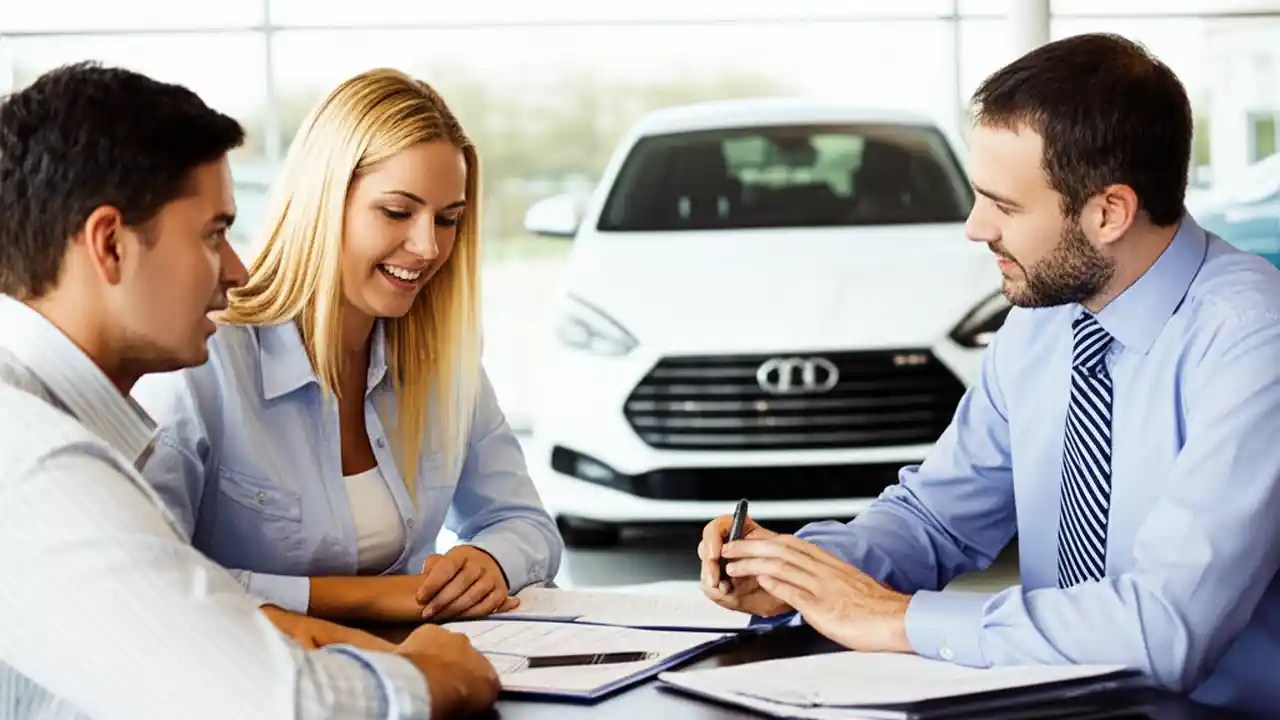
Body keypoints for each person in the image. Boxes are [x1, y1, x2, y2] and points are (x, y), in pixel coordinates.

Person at [698, 33, 1280, 715]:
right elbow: (936, 519)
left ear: (1109, 213)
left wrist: (894, 619)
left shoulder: (1250, 339)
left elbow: (1164, 629)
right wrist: (800, 571)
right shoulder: (1045, 319)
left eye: (1003, 206)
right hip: (1048, 701)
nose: (975, 228)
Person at [0, 62, 500, 718]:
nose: (237, 271)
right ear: (111, 246)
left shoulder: (53, 428)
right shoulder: (36, 461)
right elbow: (275, 703)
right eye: (213, 234)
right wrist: (435, 677)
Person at [132, 67, 562, 627]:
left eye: (448, 219)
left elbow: (526, 523)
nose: (428, 246)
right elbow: (149, 579)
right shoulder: (203, 357)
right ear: (323, 203)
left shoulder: (444, 361)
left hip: (418, 674)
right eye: (397, 212)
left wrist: (488, 560)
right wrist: (366, 598)